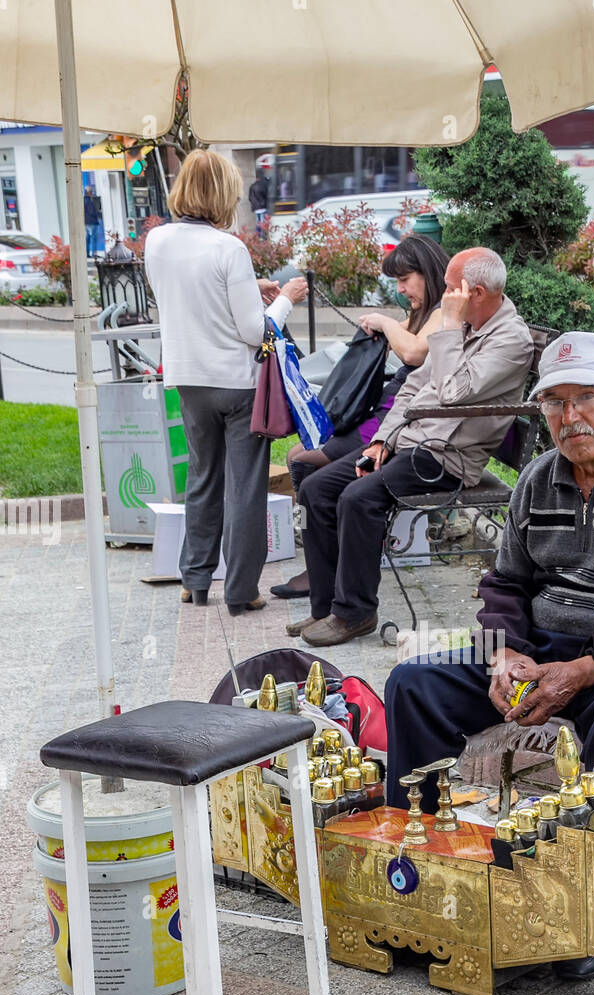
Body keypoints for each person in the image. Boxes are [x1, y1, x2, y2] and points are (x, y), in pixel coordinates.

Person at [384, 331, 594, 981]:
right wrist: (506, 654)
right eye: (553, 404)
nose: (570, 417)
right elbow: (506, 585)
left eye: (585, 399)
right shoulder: (538, 480)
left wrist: (589, 668)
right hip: (542, 651)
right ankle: (424, 866)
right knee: (413, 683)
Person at [289, 246, 533, 647]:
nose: (445, 296)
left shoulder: (509, 340)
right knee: (318, 488)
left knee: (358, 497)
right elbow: (414, 387)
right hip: (411, 442)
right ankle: (327, 607)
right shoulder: (467, 324)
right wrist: (382, 440)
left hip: (447, 456)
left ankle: (356, 613)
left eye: (452, 289)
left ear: (476, 293)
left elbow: (454, 392)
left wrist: (449, 328)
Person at [144, 149, 309, 614]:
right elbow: (255, 331)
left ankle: (194, 580)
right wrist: (287, 298)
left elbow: (189, 294)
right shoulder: (229, 247)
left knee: (201, 478)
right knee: (244, 488)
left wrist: (245, 286)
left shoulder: (157, 241)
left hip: (188, 379)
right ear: (223, 194)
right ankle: (240, 591)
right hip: (238, 384)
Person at [272, 234, 450, 601]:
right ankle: (324, 566)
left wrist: (385, 323)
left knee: (304, 465)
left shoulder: (444, 311)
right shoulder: (425, 311)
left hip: (395, 422)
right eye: (397, 282)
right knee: (301, 462)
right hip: (388, 412)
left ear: (428, 272)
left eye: (405, 280)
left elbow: (415, 352)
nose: (402, 290)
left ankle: (325, 567)